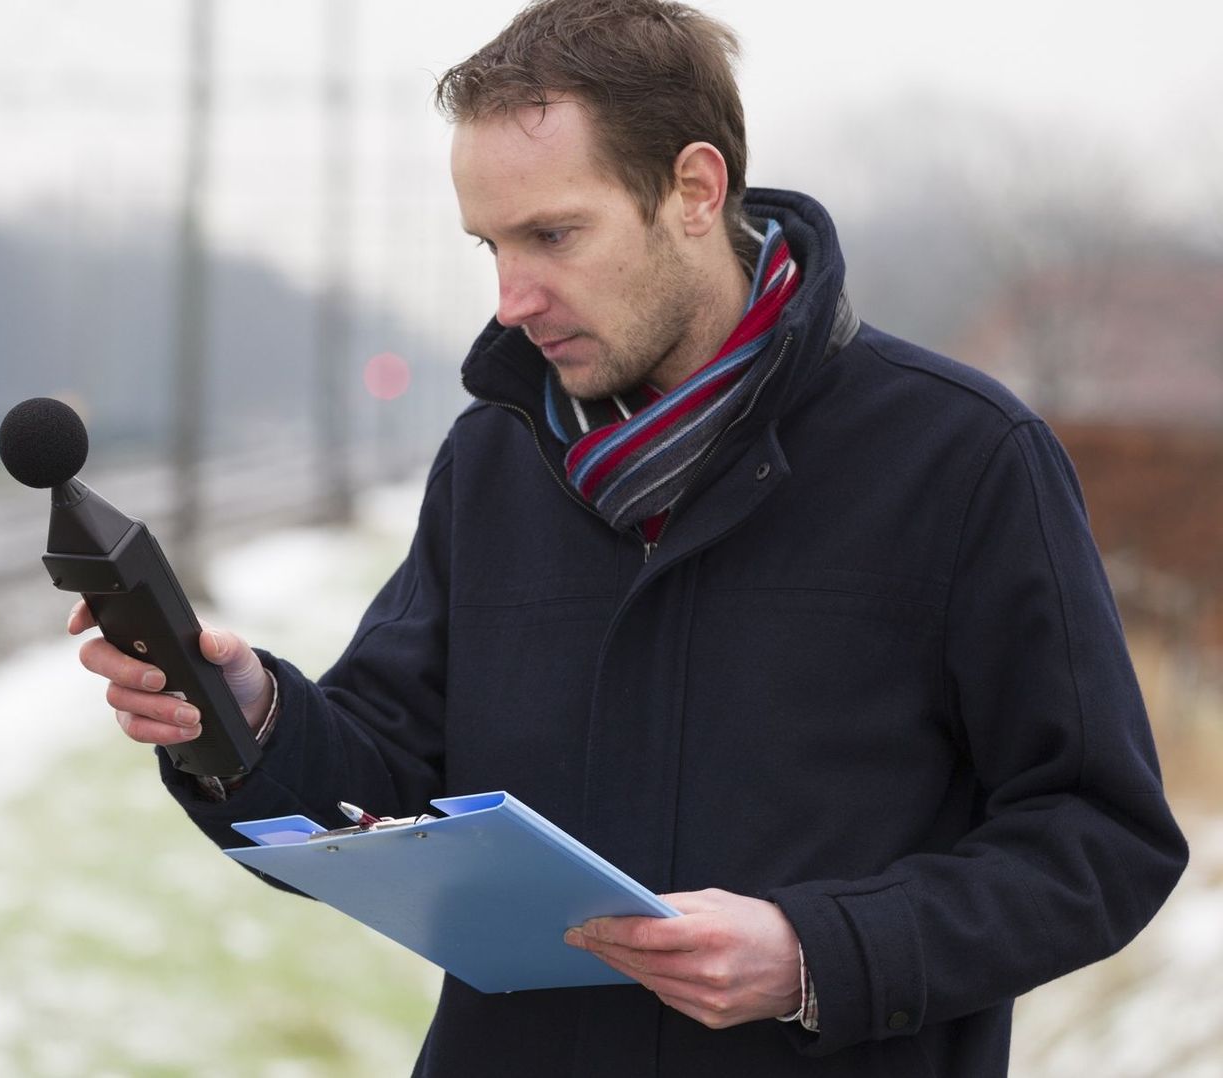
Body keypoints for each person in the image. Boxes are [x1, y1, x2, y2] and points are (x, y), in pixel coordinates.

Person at [69, 1, 1188, 1073]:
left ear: (695, 189)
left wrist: (817, 954)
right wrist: (251, 716)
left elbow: (1098, 839)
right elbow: (388, 787)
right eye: (490, 245)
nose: (513, 297)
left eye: (554, 234)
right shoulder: (492, 461)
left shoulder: (965, 457)